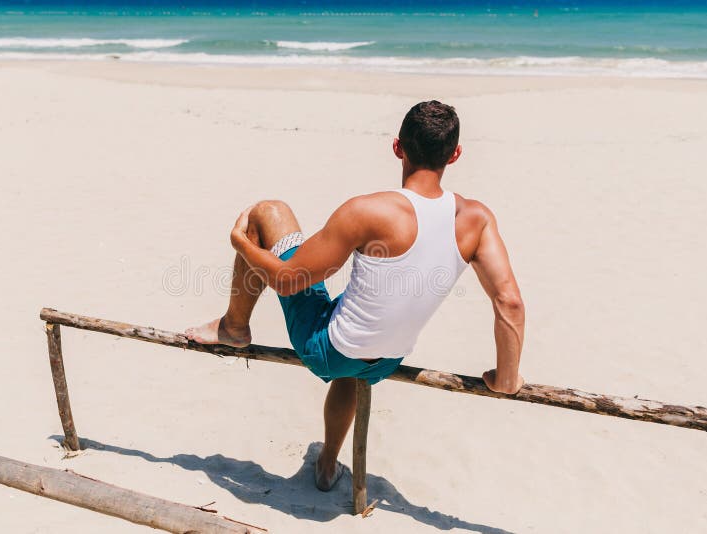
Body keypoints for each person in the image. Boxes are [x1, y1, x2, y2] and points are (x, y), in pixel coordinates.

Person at [186, 100, 525, 491]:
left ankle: (233, 326)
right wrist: (507, 377)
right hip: (387, 358)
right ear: (455, 154)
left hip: (328, 349)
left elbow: (286, 281)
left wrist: (241, 243)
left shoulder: (368, 211)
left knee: (269, 211)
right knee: (355, 338)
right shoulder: (477, 219)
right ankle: (327, 464)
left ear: (397, 147)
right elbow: (509, 301)